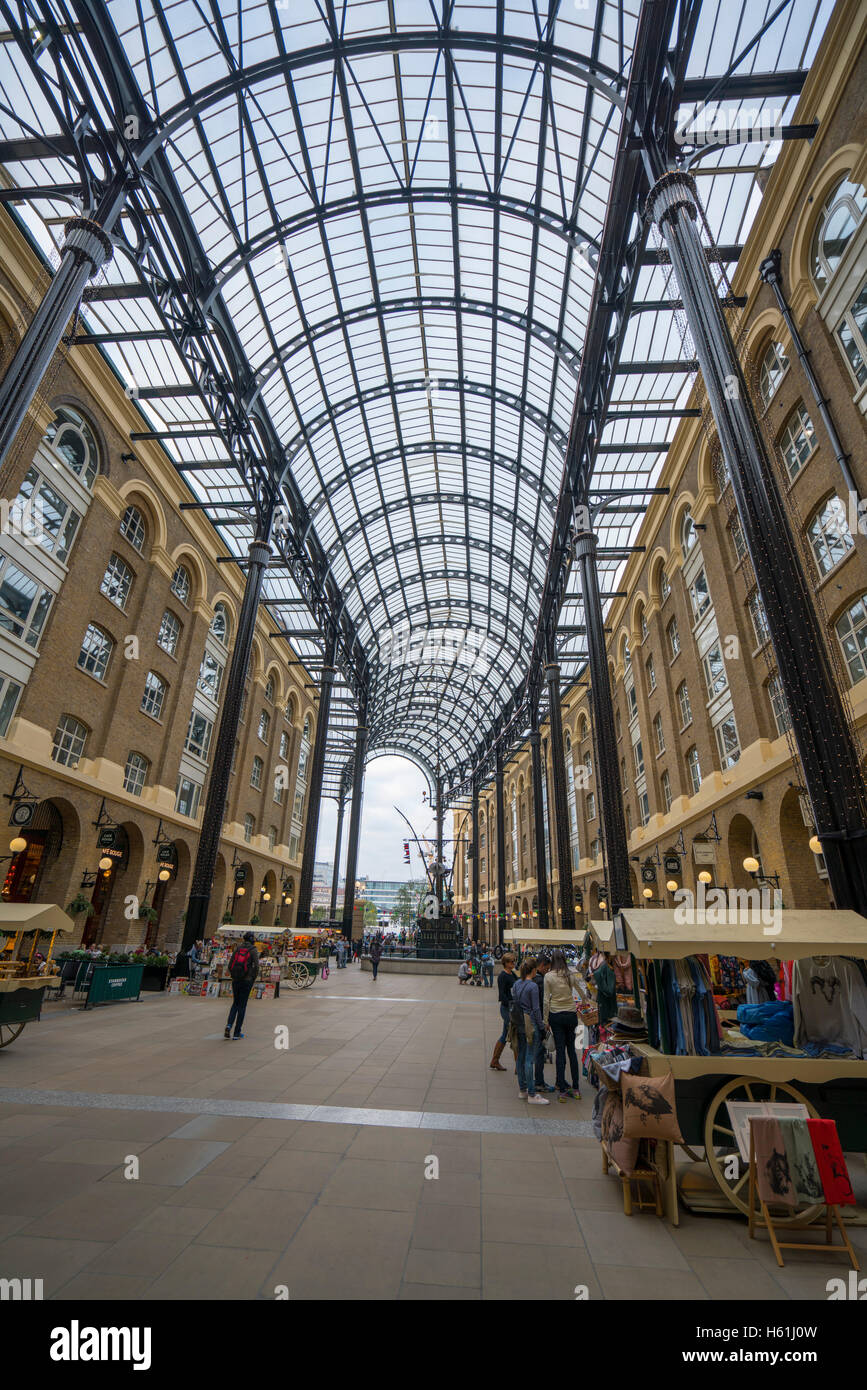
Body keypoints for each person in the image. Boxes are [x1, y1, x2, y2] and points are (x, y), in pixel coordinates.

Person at [544, 949, 590, 1100]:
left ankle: (562, 1090)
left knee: (560, 1052)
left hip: (556, 1015)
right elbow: (582, 993)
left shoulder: (548, 976)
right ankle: (576, 1088)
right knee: (572, 1050)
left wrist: (545, 1020)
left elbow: (545, 1001)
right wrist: (583, 1004)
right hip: (571, 1014)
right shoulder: (570, 975)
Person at [509, 958, 549, 1104]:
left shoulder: (516, 984)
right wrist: (541, 1025)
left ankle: (522, 1089)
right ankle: (532, 1094)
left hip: (518, 1022)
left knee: (520, 1056)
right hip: (530, 1024)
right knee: (529, 1059)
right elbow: (536, 1009)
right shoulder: (533, 986)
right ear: (533, 970)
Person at [224, 931, 259, 1040]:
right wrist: (252, 977)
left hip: (236, 980)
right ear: (252, 939)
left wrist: (234, 975)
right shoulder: (253, 950)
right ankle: (236, 1033)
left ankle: (229, 1025)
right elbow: (256, 966)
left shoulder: (238, 948)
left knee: (235, 1003)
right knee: (242, 1006)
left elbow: (230, 965)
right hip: (247, 980)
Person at [530, 957, 556, 1093]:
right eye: (546, 968)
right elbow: (541, 1004)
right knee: (539, 1053)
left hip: (530, 1021)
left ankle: (532, 1082)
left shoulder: (531, 980)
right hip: (538, 1021)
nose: (547, 971)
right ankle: (539, 1082)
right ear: (541, 965)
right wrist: (544, 1023)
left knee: (533, 1053)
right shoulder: (540, 981)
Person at [491, 952, 517, 1070]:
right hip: (507, 1009)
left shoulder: (512, 974)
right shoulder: (503, 976)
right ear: (505, 963)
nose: (513, 963)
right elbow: (502, 995)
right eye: (511, 961)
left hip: (512, 1008)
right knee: (512, 1035)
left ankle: (495, 1060)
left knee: (507, 1034)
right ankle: (518, 1065)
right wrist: (511, 1005)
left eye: (514, 961)